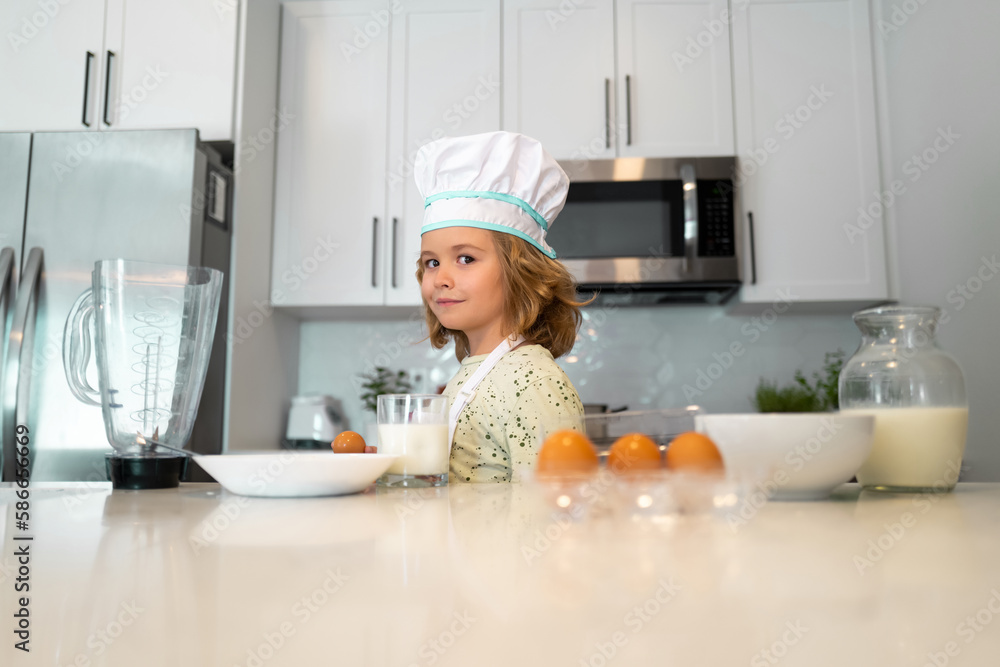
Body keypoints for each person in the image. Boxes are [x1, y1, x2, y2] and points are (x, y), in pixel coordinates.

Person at [413, 131, 590, 483]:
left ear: (521, 273)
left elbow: (550, 513)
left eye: (465, 258)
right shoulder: (473, 374)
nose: (441, 278)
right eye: (431, 263)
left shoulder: (533, 384)